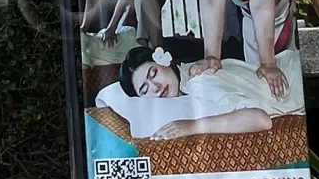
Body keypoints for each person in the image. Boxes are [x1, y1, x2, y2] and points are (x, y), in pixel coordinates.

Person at [112, 42, 295, 136]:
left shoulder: (198, 81)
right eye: (145, 90)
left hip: (296, 81)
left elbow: (260, 119)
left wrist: (191, 127)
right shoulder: (185, 83)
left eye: (154, 73)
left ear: (164, 62)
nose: (156, 87)